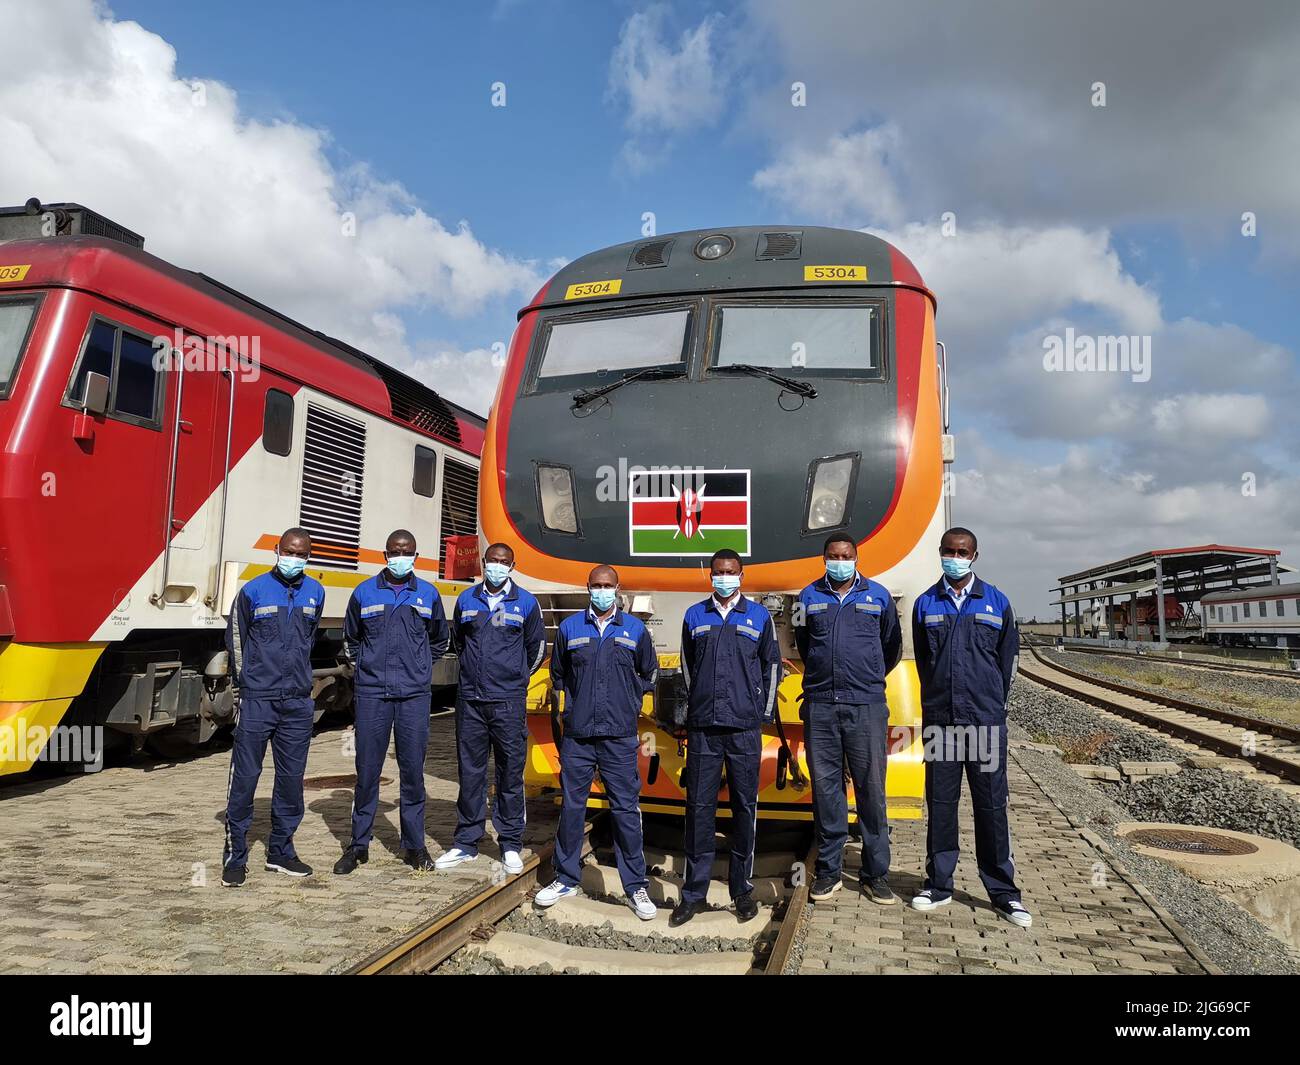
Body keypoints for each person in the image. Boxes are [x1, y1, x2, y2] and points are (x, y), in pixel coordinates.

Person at [909, 527, 1031, 928]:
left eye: (962, 551)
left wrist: (992, 705)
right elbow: (926, 662)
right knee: (941, 807)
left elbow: (1007, 663)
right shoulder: (926, 603)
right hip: (941, 724)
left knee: (991, 808)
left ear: (975, 556)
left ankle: (1003, 892)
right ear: (940, 553)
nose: (955, 556)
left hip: (985, 724)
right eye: (949, 550)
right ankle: (937, 884)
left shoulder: (997, 602)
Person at [534, 565, 658, 921]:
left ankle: (635, 887)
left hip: (619, 736)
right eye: (596, 585)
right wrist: (572, 705)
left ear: (617, 588)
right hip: (579, 737)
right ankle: (566, 878)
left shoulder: (634, 629)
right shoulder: (571, 628)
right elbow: (559, 674)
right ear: (587, 587)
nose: (602, 590)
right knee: (572, 807)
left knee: (625, 810)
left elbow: (648, 673)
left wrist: (630, 701)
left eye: (607, 585)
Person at [671, 549, 780, 927]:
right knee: (698, 809)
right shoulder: (694, 615)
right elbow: (687, 666)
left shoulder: (759, 616)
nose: (724, 577)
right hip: (704, 728)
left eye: (730, 572)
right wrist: (699, 701)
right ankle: (693, 893)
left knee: (743, 809)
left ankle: (742, 890)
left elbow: (772, 666)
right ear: (710, 576)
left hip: (745, 728)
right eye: (718, 572)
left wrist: (762, 714)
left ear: (741, 575)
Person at [794, 532, 902, 904]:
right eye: (832, 555)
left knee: (871, 790)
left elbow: (891, 646)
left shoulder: (879, 597)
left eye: (845, 555)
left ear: (857, 558)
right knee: (826, 792)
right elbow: (805, 643)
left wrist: (865, 678)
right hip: (821, 705)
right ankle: (828, 871)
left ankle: (876, 875)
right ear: (823, 558)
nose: (839, 560)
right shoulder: (807, 597)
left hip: (866, 706)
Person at [334, 530, 449, 875]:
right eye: (396, 551)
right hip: (372, 695)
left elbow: (440, 640)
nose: (402, 557)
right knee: (367, 771)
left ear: (416, 556)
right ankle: (358, 845)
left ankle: (414, 845)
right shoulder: (364, 592)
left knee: (412, 772)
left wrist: (419, 668)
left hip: (414, 696)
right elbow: (351, 639)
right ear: (385, 555)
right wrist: (368, 669)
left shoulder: (428, 594)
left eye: (408, 551)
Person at [221, 528, 325, 887]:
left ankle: (281, 851)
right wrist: (245, 687)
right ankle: (235, 855)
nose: (295, 558)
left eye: (303, 554)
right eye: (290, 551)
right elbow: (237, 640)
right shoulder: (252, 591)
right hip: (258, 699)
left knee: (291, 780)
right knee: (246, 778)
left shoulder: (316, 592)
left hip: (296, 702)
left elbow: (309, 639)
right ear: (277, 550)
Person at [437, 543, 545, 874]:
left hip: (508, 701)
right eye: (492, 561)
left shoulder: (526, 602)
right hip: (470, 700)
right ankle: (466, 842)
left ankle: (510, 843)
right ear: (483, 563)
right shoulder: (467, 600)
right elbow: (459, 641)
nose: (496, 566)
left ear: (513, 566)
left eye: (503, 562)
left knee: (510, 771)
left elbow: (536, 647)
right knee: (470, 771)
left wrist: (516, 680)